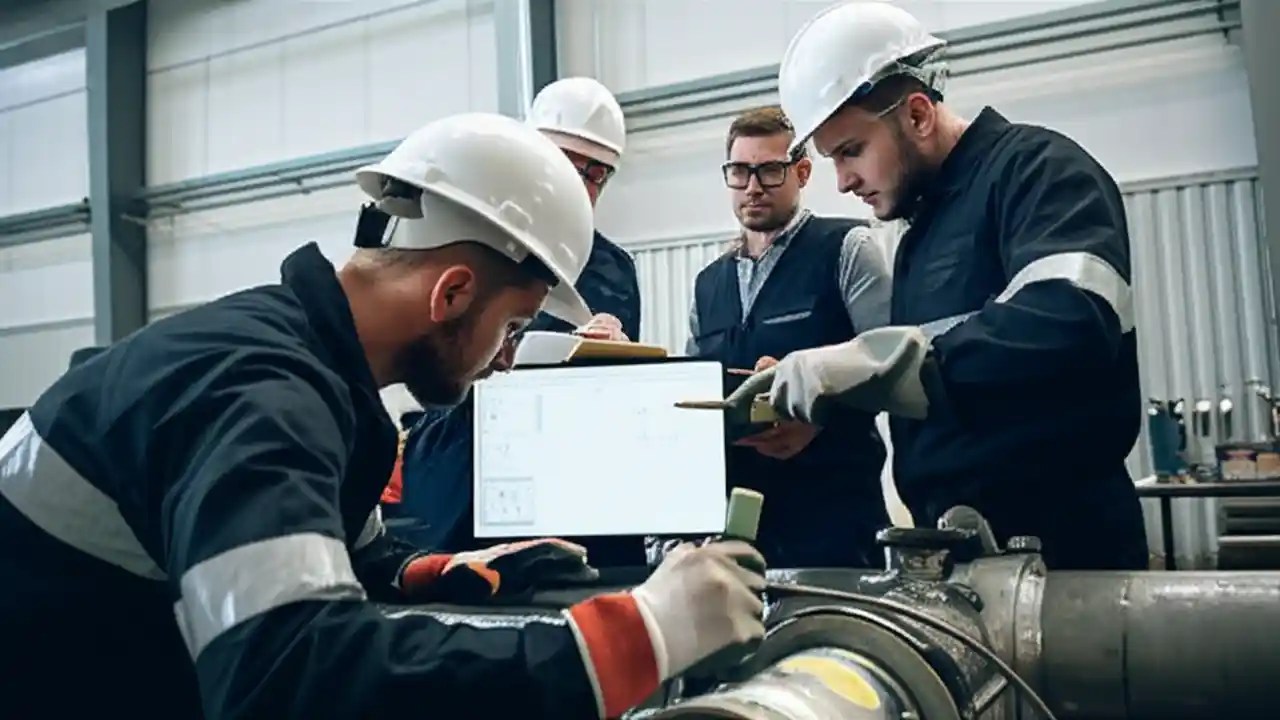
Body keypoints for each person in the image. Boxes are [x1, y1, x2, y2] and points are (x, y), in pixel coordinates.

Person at [0, 112, 766, 718]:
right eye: (511, 326)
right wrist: (634, 638)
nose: (506, 356)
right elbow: (291, 676)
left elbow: (302, 547)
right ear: (453, 294)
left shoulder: (307, 367)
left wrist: (429, 571)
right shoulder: (264, 392)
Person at [730, 1, 1148, 571]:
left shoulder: (1038, 173)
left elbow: (1069, 319)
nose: (844, 180)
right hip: (959, 555)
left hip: (1064, 555)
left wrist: (885, 363)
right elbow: (941, 390)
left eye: (851, 151)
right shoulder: (919, 235)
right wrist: (833, 400)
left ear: (919, 115)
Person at [393, 77, 646, 567]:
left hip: (565, 470)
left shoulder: (614, 269)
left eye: (597, 174)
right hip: (461, 456)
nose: (580, 184)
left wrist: (614, 353)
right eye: (567, 164)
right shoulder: (458, 234)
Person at [685, 106, 894, 568]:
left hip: (835, 520)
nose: (754, 186)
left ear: (802, 172)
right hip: (737, 532)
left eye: (771, 171)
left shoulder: (846, 248)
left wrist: (818, 417)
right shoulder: (707, 284)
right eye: (740, 172)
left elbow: (893, 364)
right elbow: (693, 392)